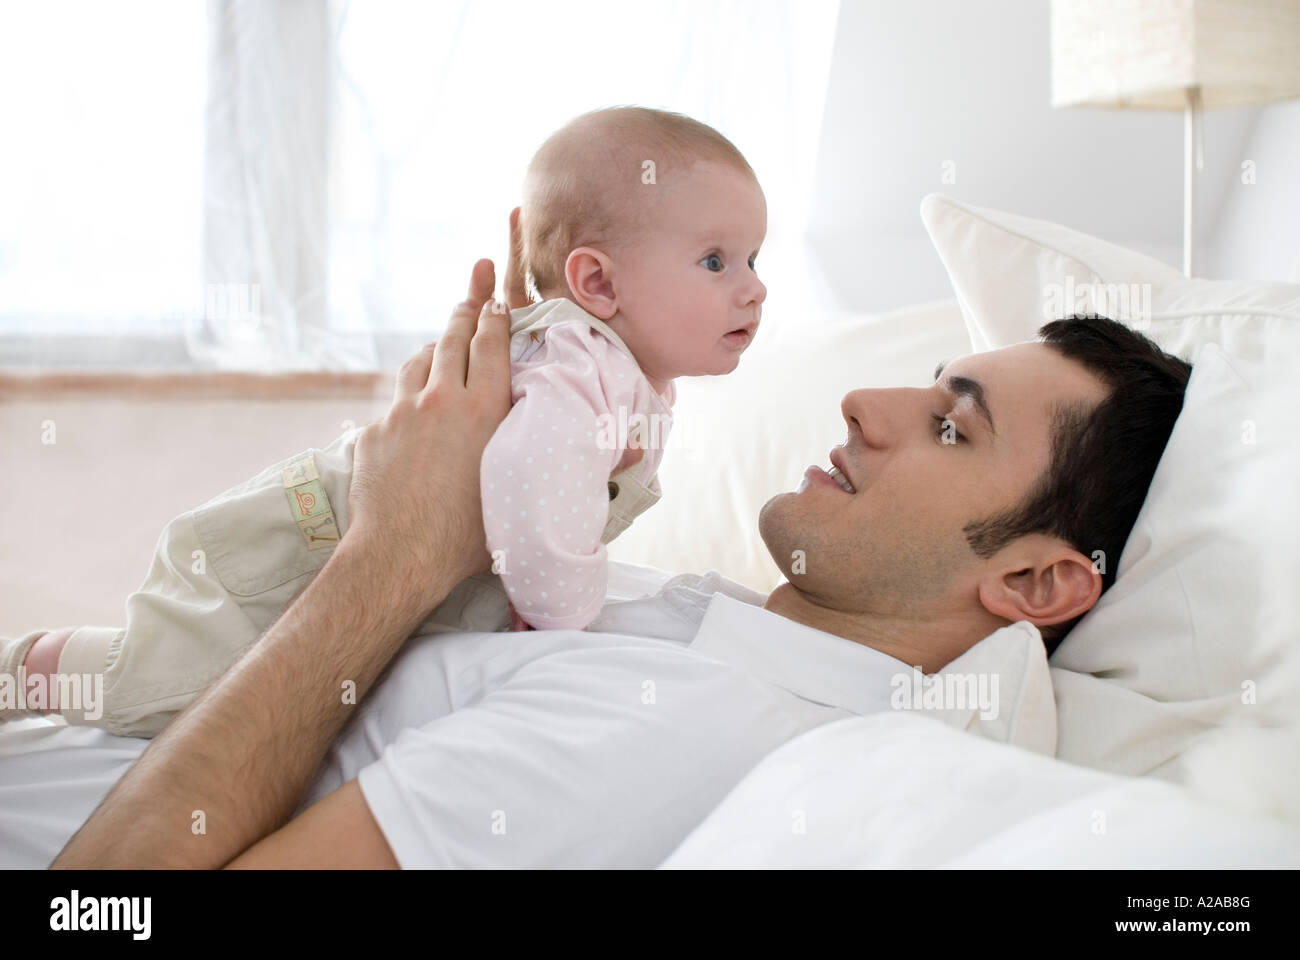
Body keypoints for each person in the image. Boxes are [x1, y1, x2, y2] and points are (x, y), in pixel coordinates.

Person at [38, 245, 1190, 867]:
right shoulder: (692, 633)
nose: (864, 402)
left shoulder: (694, 721)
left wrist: (394, 550)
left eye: (952, 425)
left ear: (1035, 582)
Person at [0, 107, 768, 737]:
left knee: (281, 692)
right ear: (596, 280)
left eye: (756, 261)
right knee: (170, 690)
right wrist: (563, 612)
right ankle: (23, 669)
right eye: (715, 262)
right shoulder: (585, 361)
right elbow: (527, 472)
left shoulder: (617, 371)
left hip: (353, 537)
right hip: (316, 542)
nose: (753, 290)